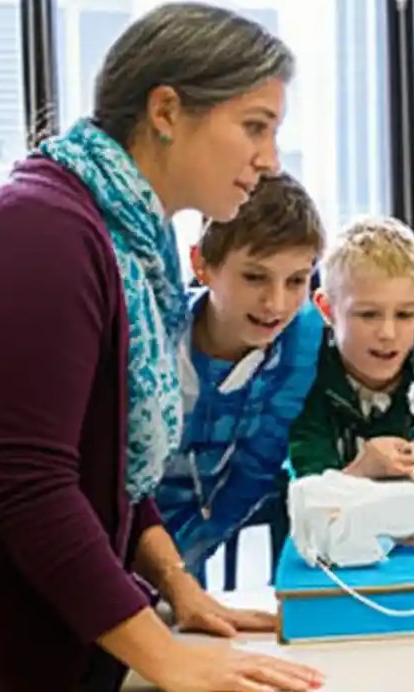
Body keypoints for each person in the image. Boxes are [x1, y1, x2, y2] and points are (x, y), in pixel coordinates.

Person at [0, 2, 323, 691]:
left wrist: (177, 585)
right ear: (166, 111)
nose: (269, 158)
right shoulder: (44, 230)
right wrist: (163, 656)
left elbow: (108, 470)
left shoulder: (132, 245)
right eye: (255, 126)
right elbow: (24, 482)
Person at [155, 172, 325, 582]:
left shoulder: (301, 335)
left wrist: (182, 566)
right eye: (254, 276)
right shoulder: (157, 336)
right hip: (111, 542)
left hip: (189, 552)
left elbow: (258, 467)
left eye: (297, 280)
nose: (276, 302)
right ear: (202, 265)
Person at [288, 216, 414, 480]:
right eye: (368, 315)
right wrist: (359, 472)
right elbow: (305, 496)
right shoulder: (301, 373)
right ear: (327, 309)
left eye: (405, 314)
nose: (388, 333)